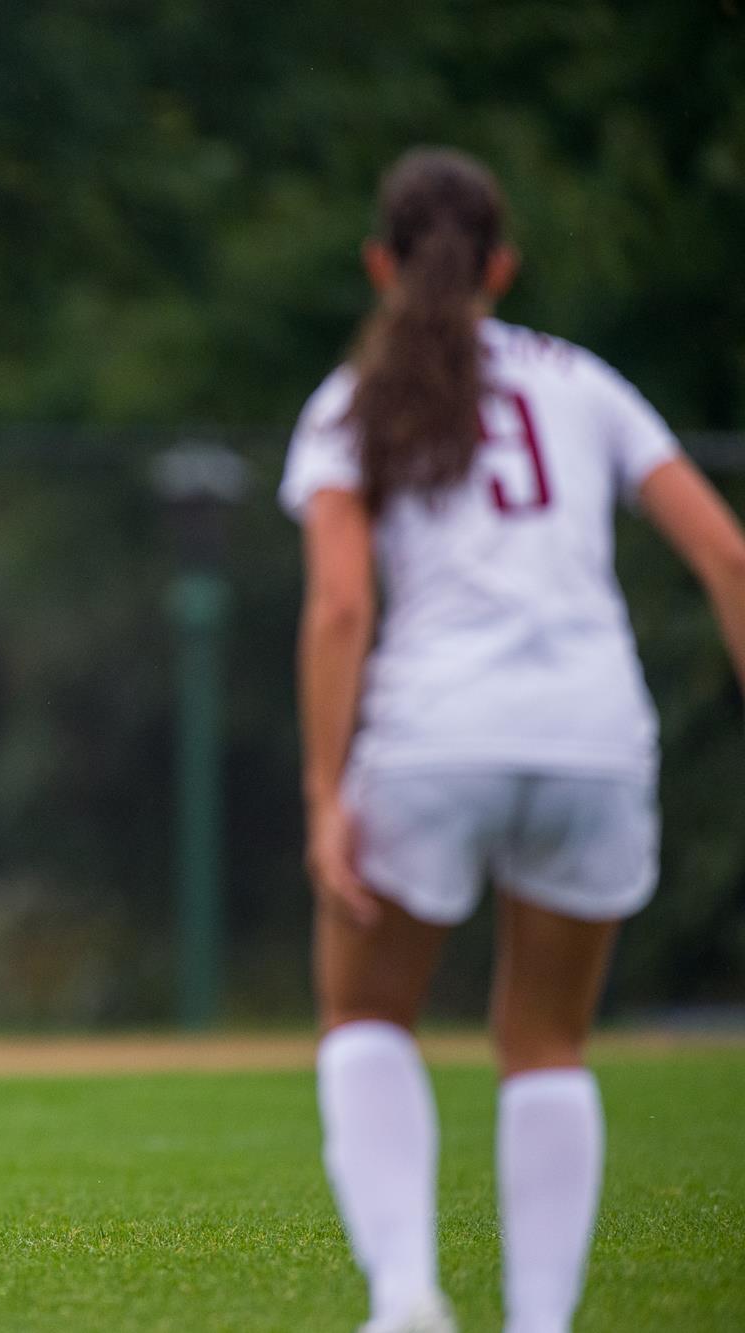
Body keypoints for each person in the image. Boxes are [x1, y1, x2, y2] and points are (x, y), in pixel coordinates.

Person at [283, 148, 745, 1333]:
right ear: (501, 264)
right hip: (594, 736)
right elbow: (727, 555)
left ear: (379, 264)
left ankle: (404, 1300)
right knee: (545, 1039)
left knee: (365, 1016)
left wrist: (324, 788)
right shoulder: (582, 383)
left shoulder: (352, 401)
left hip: (434, 737)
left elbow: (340, 607)